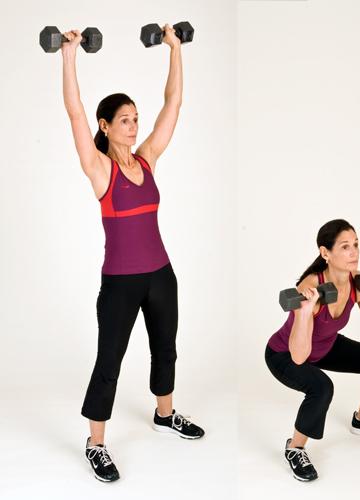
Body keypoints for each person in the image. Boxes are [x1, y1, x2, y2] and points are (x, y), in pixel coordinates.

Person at [61, 25, 204, 483]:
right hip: (121, 282)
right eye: (125, 119)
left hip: (161, 274)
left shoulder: (146, 160)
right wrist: (69, 55)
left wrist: (175, 48)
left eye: (135, 118)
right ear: (107, 126)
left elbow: (173, 104)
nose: (134, 124)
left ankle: (165, 414)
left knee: (166, 348)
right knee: (110, 361)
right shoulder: (100, 170)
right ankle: (95, 443)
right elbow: (75, 114)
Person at [265, 219, 360, 482]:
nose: (354, 252)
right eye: (345, 247)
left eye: (356, 245)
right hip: (284, 353)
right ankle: (295, 448)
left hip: (325, 345)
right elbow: (299, 357)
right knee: (321, 388)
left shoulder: (357, 283)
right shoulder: (311, 287)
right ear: (325, 253)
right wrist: (304, 312)